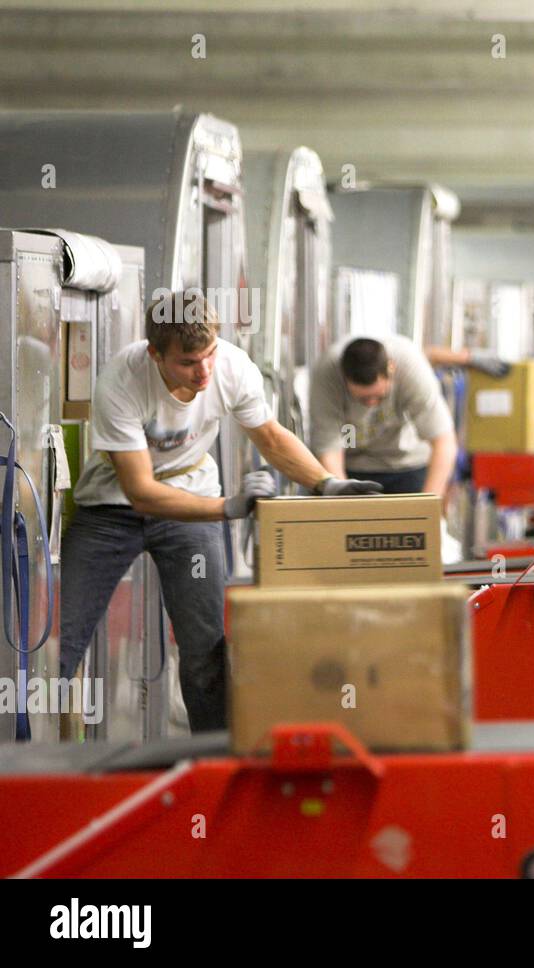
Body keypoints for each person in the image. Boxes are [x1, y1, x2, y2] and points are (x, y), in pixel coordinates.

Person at [60, 291, 380, 732]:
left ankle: (211, 762)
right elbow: (141, 493)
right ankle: (31, 763)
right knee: (59, 642)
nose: (204, 371)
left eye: (209, 354)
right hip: (112, 509)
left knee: (205, 650)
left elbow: (269, 437)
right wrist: (228, 507)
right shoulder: (121, 382)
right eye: (189, 362)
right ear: (155, 354)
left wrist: (326, 483)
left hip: (192, 502)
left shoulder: (231, 367)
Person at [309, 335, 458, 497]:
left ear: (391, 369)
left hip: (407, 465)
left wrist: (430, 505)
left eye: (379, 396)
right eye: (363, 399)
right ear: (345, 380)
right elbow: (329, 449)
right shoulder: (327, 374)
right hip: (353, 467)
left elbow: (443, 441)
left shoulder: (411, 367)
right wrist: (343, 503)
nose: (372, 404)